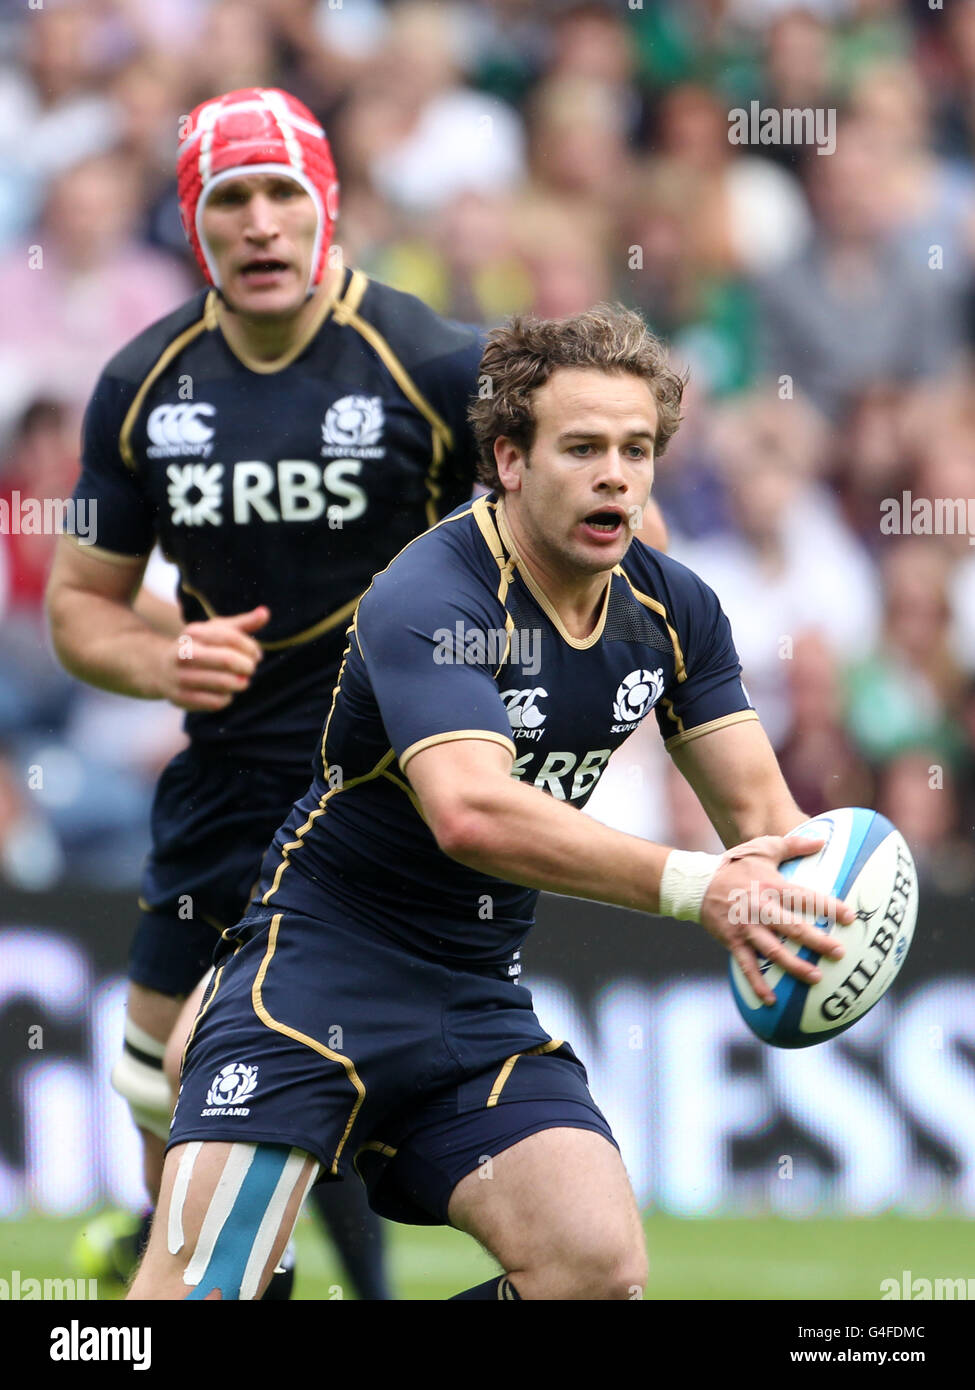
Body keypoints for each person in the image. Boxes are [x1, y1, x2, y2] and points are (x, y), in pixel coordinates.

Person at [126, 302, 852, 1301]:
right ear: (508, 458)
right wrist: (700, 886)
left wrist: (831, 918)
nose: (617, 475)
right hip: (314, 970)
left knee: (596, 1270)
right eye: (584, 446)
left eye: (637, 449)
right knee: (200, 1294)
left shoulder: (675, 610)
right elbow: (470, 809)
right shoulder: (433, 595)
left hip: (471, 991)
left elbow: (769, 828)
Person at [45, 85, 503, 1300]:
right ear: (195, 221)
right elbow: (78, 606)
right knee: (155, 1074)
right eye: (228, 199)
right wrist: (162, 659)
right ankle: (202, 1262)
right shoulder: (142, 385)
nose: (257, 224)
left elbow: (599, 534)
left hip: (384, 786)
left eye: (280, 195)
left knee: (302, 1048)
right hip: (226, 777)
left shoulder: (431, 360)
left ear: (325, 208)